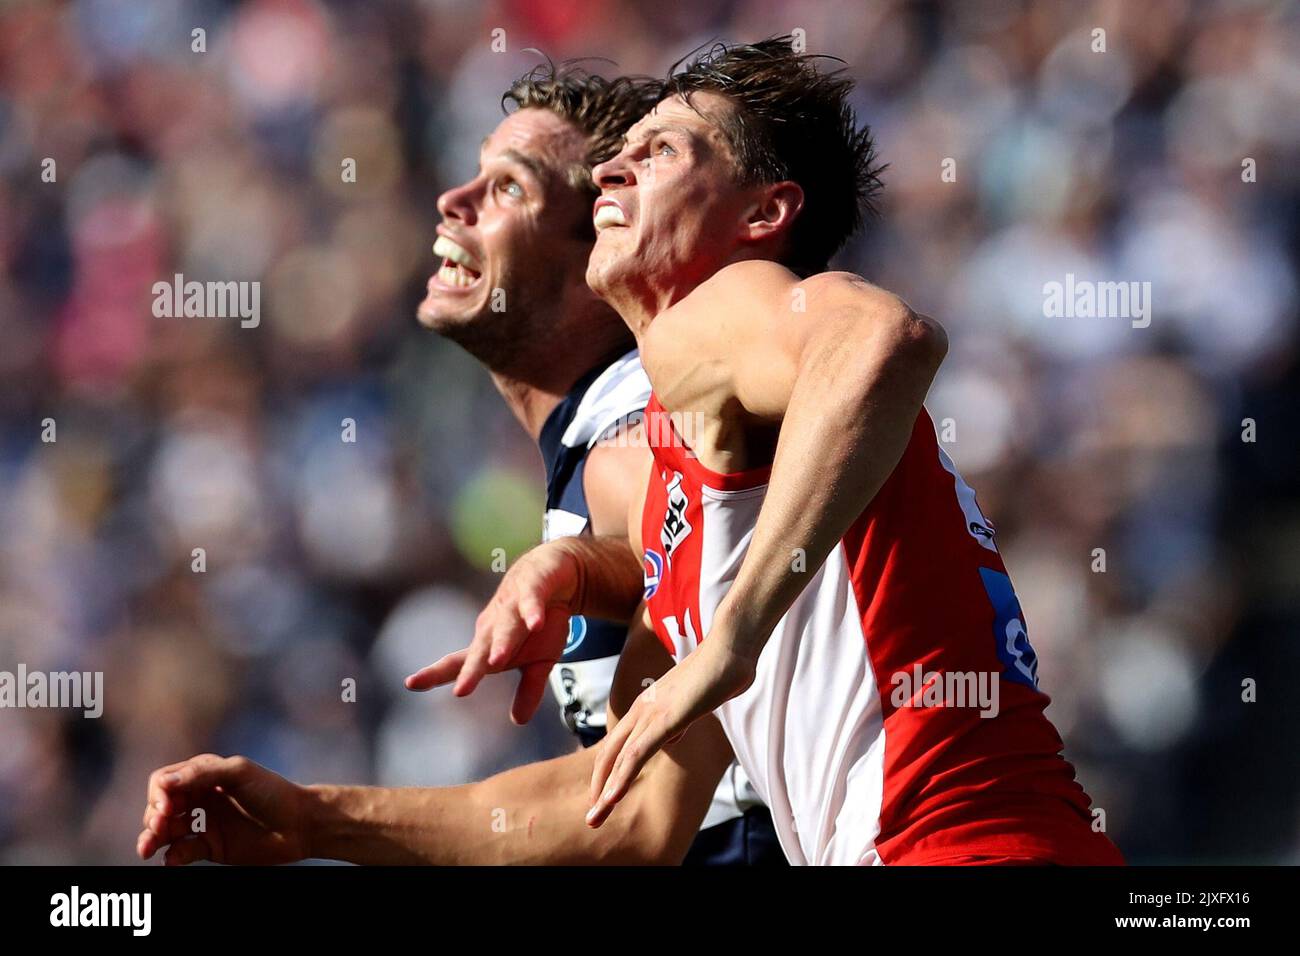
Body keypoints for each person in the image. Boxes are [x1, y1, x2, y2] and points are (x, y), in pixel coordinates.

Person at [445, 37, 1124, 866]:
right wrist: (586, 571)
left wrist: (732, 639)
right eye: (616, 156)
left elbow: (891, 339)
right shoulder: (691, 452)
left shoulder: (722, 304)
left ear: (764, 216)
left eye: (658, 152)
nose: (611, 174)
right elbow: (632, 820)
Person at [136, 62, 783, 866]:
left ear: (603, 244)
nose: (455, 201)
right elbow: (601, 798)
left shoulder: (633, 446)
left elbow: (645, 820)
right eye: (475, 173)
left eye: (510, 188)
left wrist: (320, 821)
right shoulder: (600, 439)